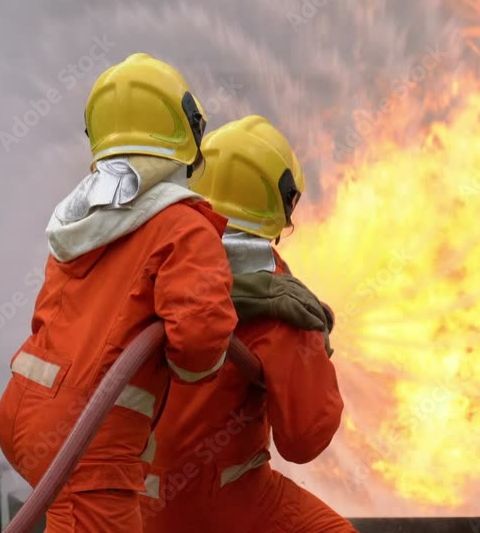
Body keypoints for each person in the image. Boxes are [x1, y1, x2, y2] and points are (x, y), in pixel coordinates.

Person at [0, 53, 238, 532]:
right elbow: (199, 344)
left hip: (22, 414)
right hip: (87, 445)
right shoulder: (185, 227)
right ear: (186, 133)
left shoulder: (81, 220)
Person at [139, 115, 354, 532]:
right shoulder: (280, 303)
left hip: (128, 498)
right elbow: (304, 438)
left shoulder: (149, 260)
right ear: (280, 204)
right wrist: (311, 344)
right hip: (225, 500)